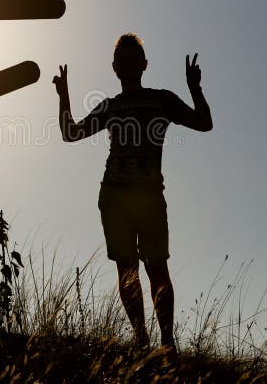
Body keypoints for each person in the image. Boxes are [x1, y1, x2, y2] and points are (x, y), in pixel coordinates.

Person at [52, 33, 213, 349]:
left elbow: (204, 123)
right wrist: (63, 95)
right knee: (127, 268)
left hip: (150, 197)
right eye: (121, 59)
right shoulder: (111, 106)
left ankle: (166, 342)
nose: (126, 63)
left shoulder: (162, 100)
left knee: (156, 267)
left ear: (143, 64)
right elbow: (70, 133)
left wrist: (195, 88)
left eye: (131, 58)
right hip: (114, 197)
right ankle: (141, 340)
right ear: (115, 67)